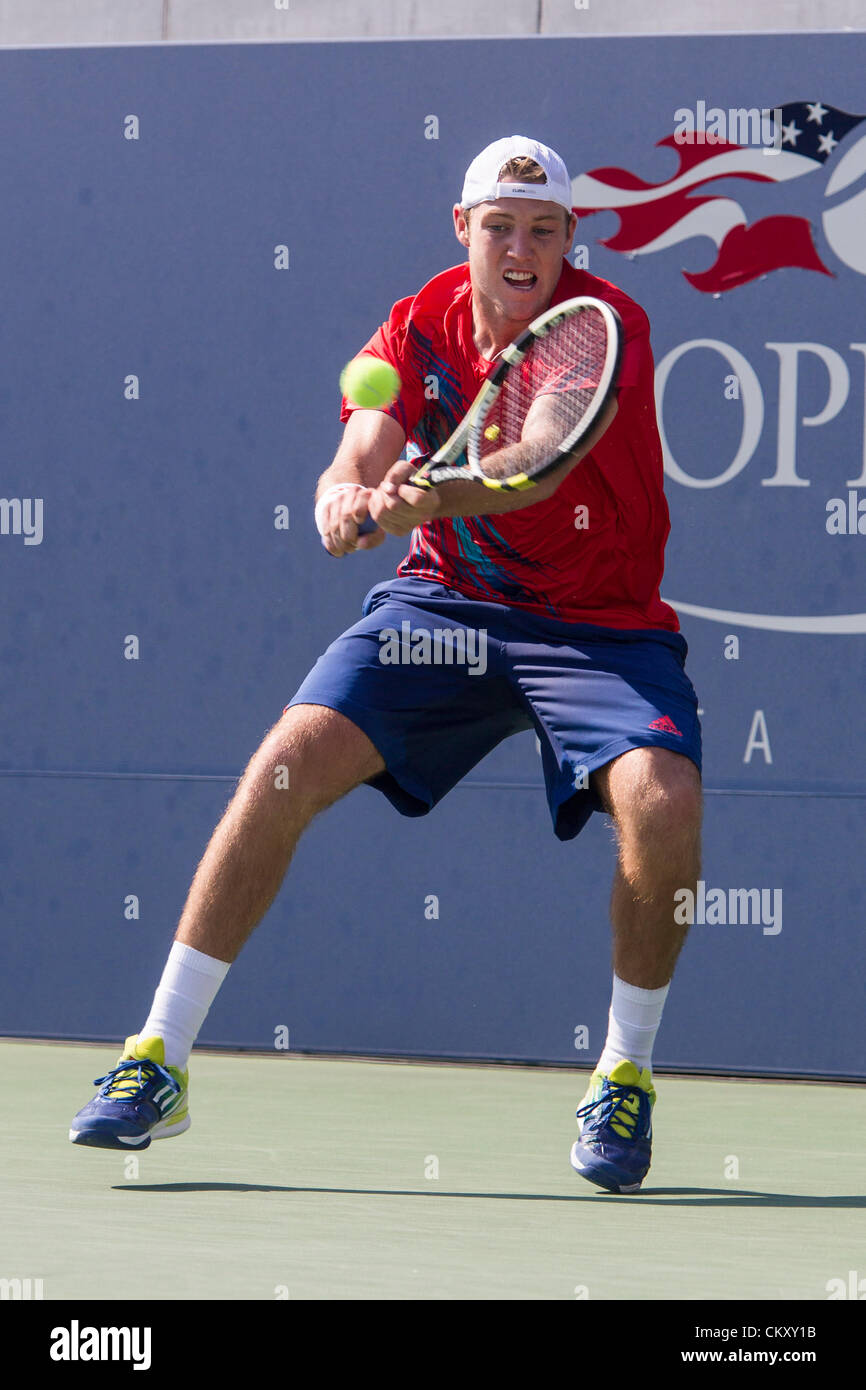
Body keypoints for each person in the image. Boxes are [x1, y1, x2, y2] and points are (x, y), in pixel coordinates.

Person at [70, 136, 702, 1194]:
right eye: (498, 224)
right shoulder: (418, 322)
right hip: (444, 606)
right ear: (462, 231)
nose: (519, 246)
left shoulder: (601, 326)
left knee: (664, 800)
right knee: (286, 761)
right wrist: (340, 495)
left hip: (599, 626)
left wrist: (432, 497)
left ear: (567, 243)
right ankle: (158, 1058)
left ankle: (623, 1071)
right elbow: (366, 433)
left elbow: (536, 461)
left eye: (542, 229)